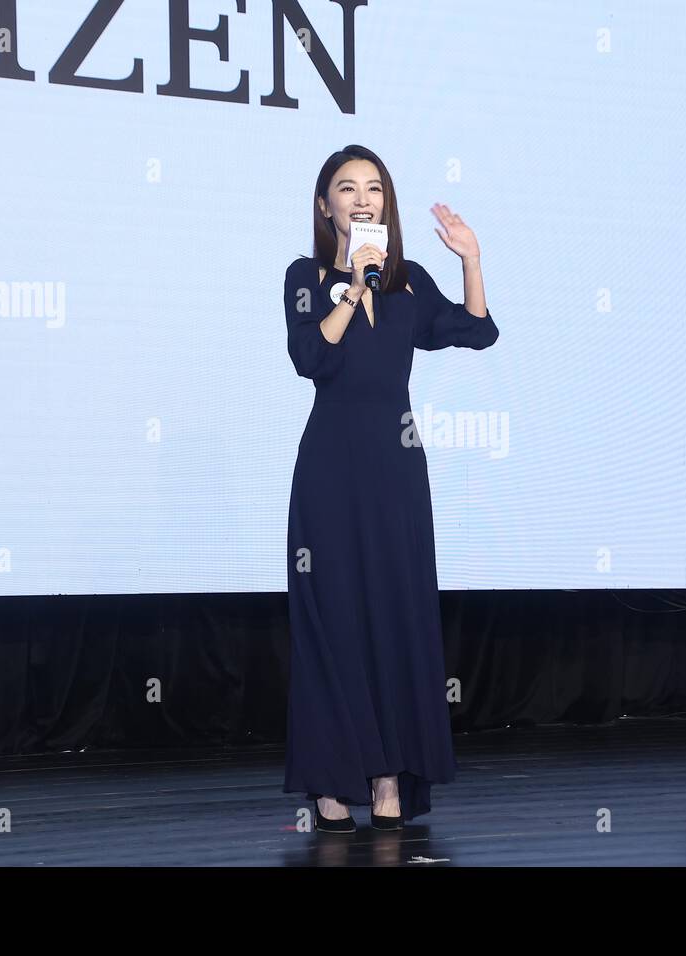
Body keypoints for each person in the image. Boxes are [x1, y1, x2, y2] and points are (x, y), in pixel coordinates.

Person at [282, 145, 498, 832]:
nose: (362, 198)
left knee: (393, 616)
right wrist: (350, 286)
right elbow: (311, 357)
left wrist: (470, 259)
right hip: (330, 468)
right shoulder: (306, 277)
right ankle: (330, 775)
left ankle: (386, 773)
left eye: (373, 187)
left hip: (396, 467)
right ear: (326, 206)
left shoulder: (409, 284)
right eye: (346, 188)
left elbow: (478, 332)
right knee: (336, 619)